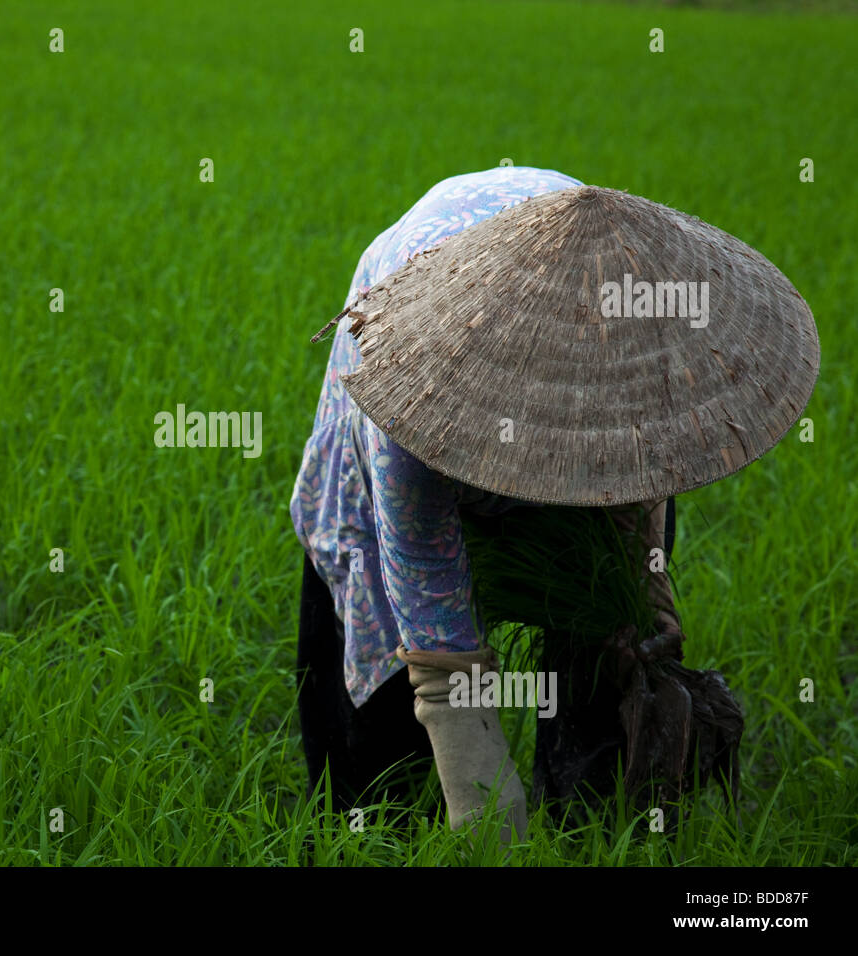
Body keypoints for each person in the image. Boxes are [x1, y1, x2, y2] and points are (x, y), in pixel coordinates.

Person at [290, 167, 683, 840]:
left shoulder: (631, 365)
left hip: (575, 282)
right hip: (424, 311)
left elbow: (638, 498)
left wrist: (648, 598)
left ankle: (590, 823)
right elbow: (429, 607)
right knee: (382, 691)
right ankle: (376, 829)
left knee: (607, 619)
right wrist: (485, 812)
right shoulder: (405, 391)